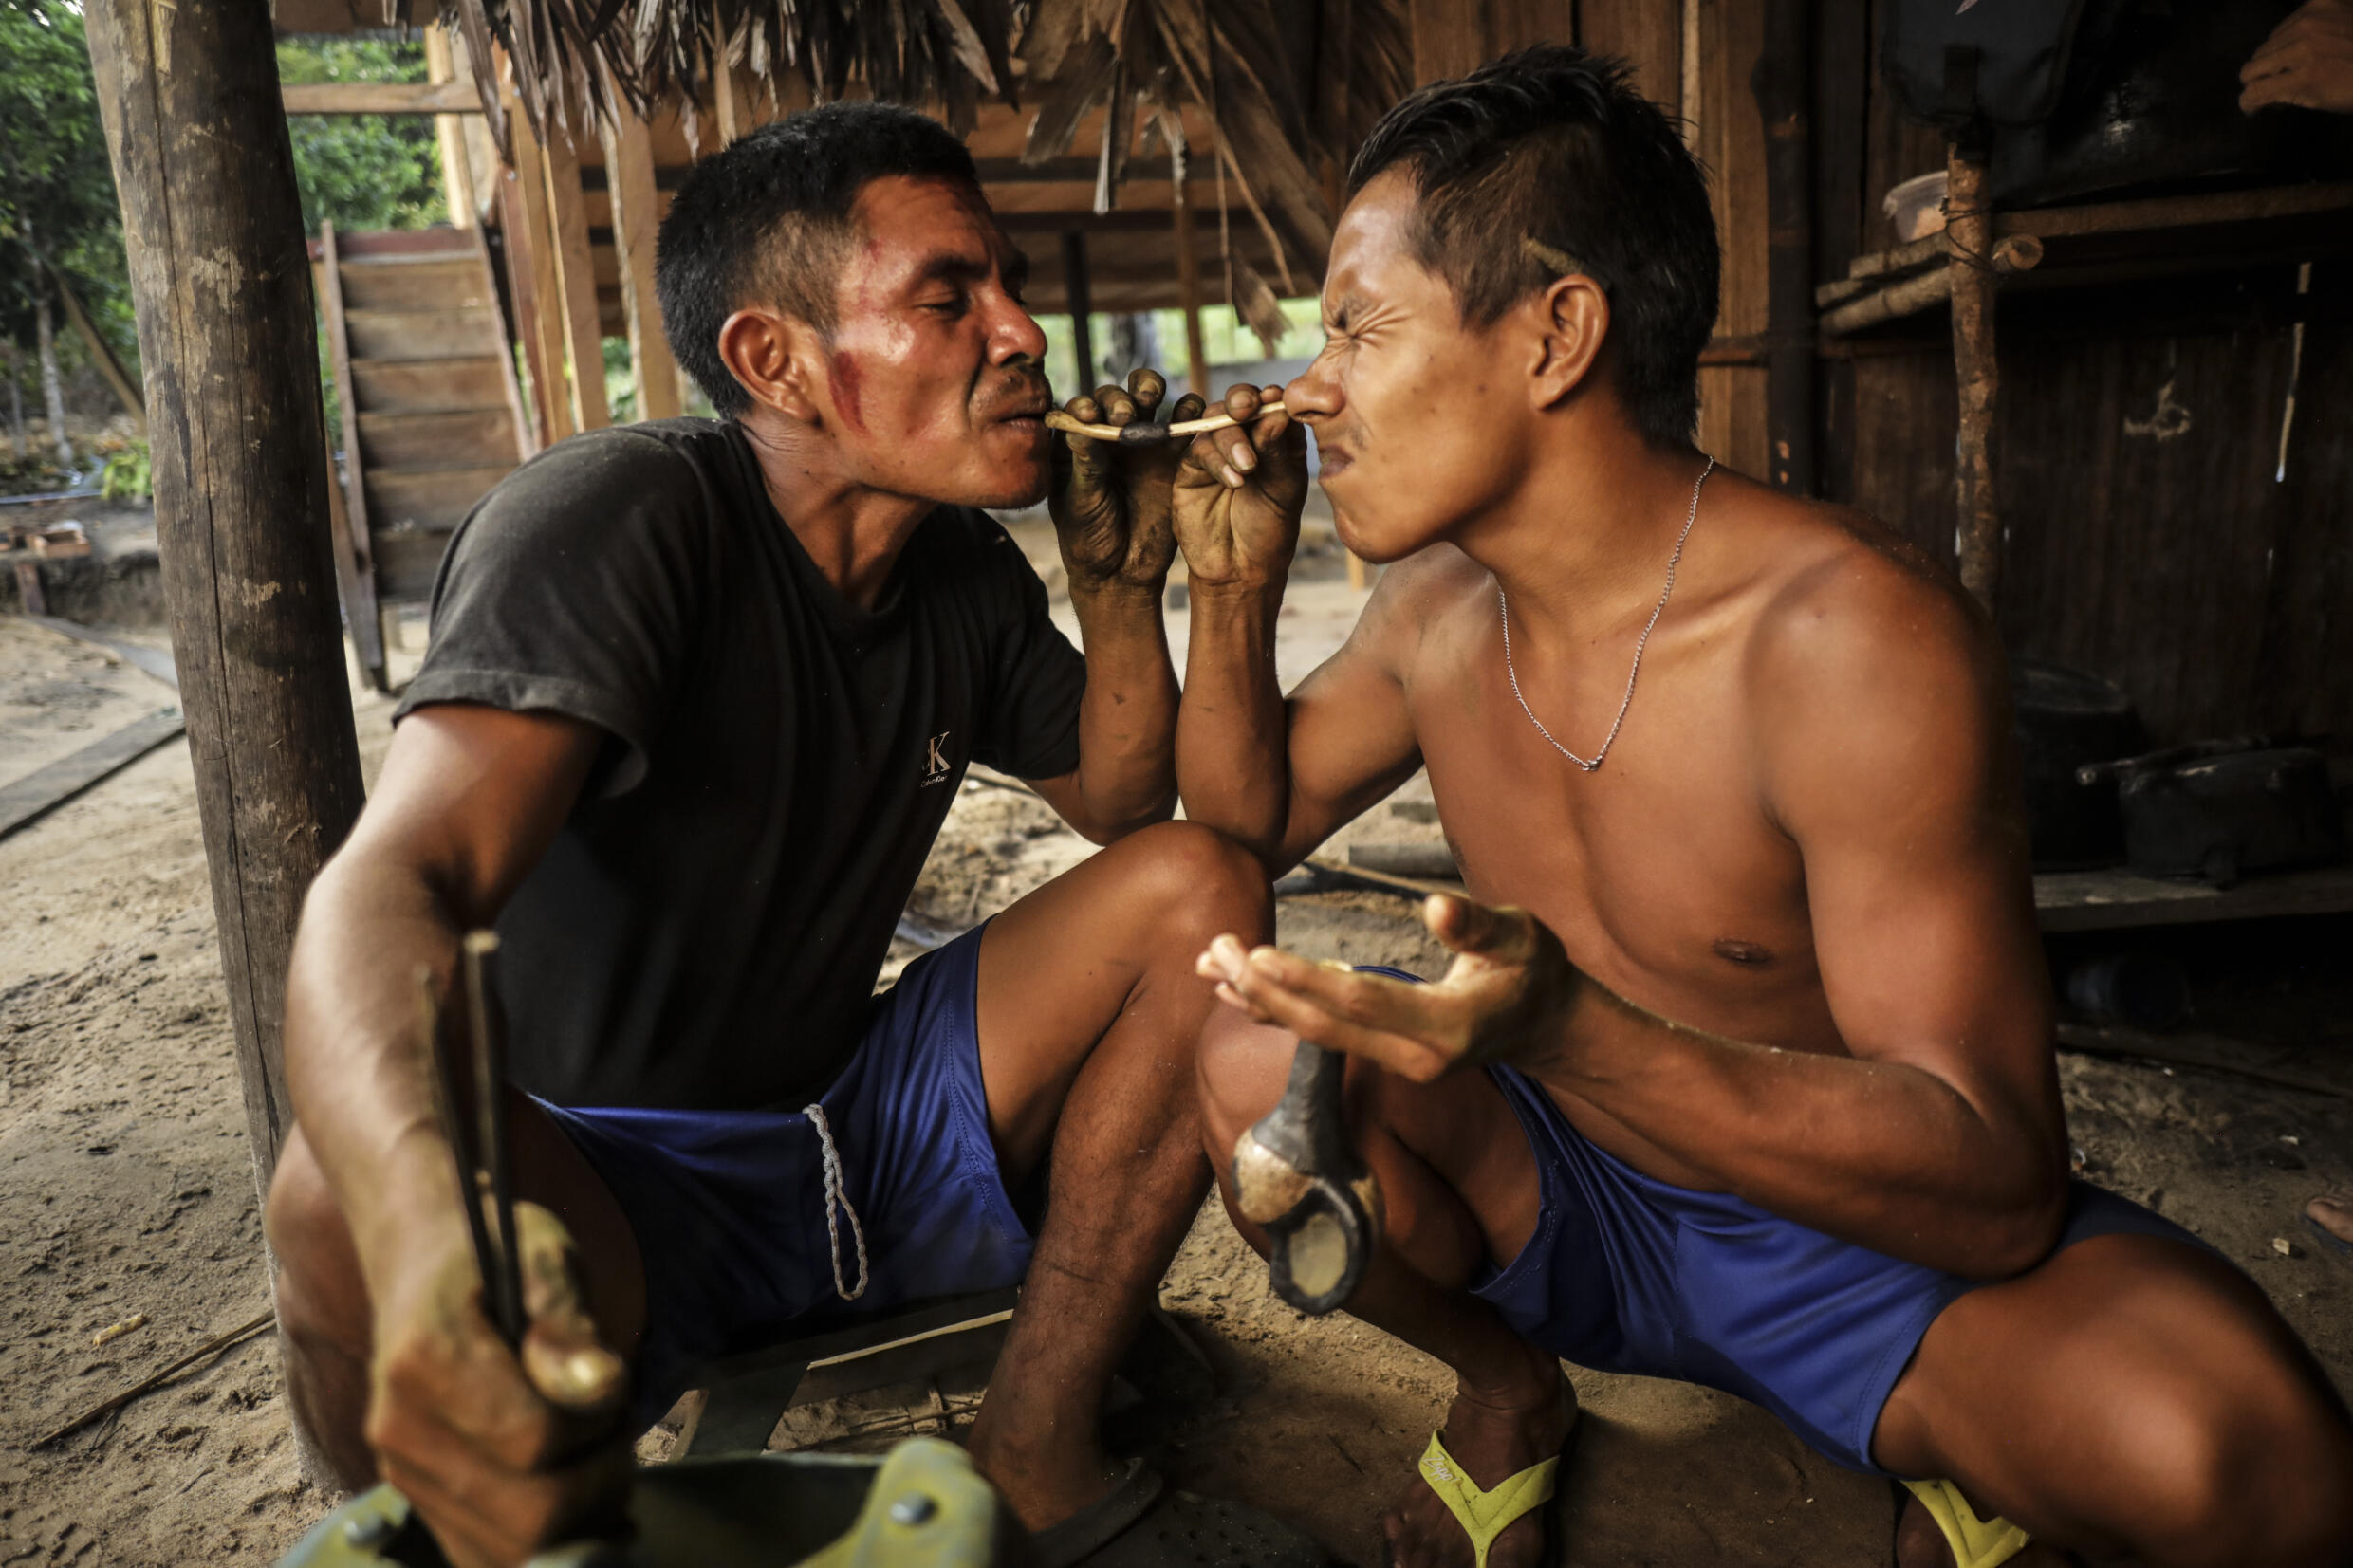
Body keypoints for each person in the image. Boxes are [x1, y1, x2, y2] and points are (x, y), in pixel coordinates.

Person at [1162, 46, 2353, 1568]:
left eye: (1358, 326)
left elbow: (1998, 1187)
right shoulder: (1433, 610)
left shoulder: (1846, 637)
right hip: (1572, 1195)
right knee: (1255, 1058)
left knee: (2248, 1460)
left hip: (1856, 1238)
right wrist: (1230, 585)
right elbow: (1242, 820)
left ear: (1556, 335)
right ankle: (1512, 1389)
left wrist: (1576, 1032)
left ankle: (1938, 1432)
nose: (1308, 386)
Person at [263, 102, 1325, 1568]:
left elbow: (1123, 801)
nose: (1023, 332)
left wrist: (1133, 586)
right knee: (331, 1193)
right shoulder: (621, 521)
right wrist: (426, 1228)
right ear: (773, 361)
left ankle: (1038, 1447)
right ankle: (457, 1540)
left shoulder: (956, 570)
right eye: (948, 298)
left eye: (1009, 286)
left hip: (851, 1126)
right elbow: (393, 886)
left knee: (1201, 884)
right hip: (614, 1190)